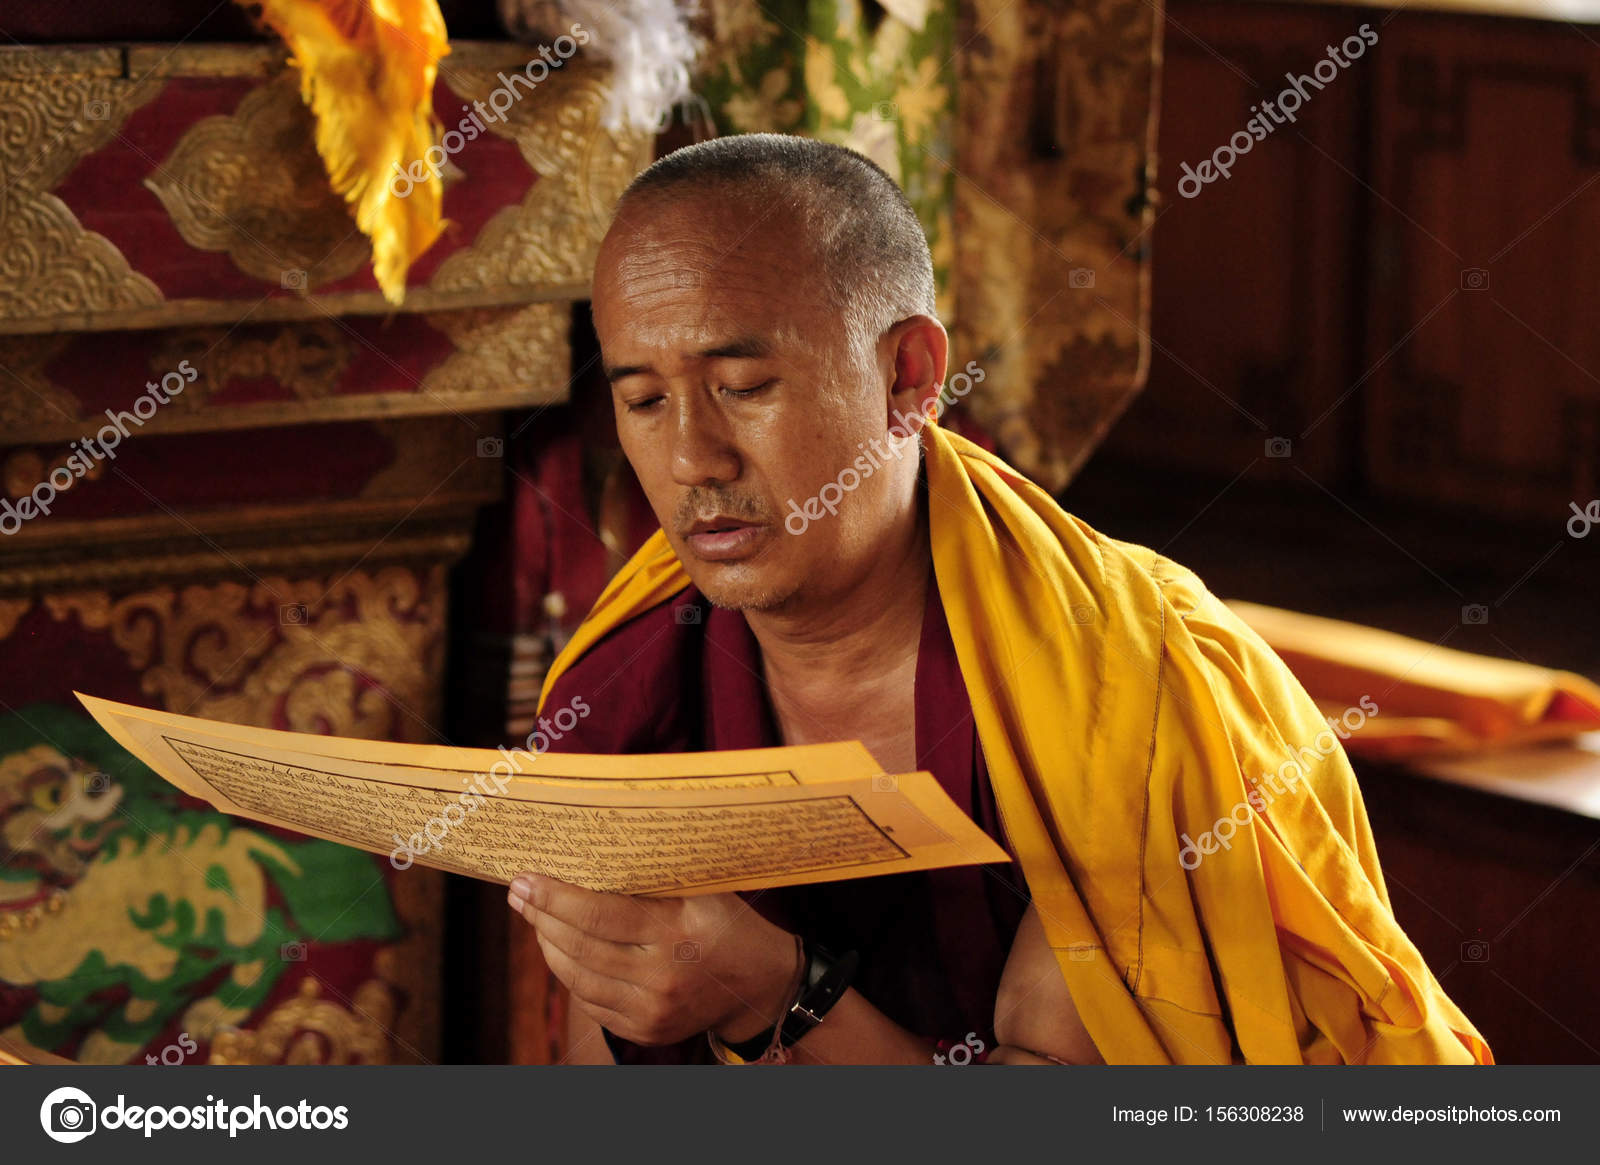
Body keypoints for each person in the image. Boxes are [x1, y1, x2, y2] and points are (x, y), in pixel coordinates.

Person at [503, 133, 1490, 1066]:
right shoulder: (631, 671)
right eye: (642, 400)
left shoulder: (1122, 691)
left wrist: (779, 998)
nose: (687, 459)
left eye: (746, 385)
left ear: (908, 375)